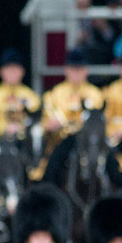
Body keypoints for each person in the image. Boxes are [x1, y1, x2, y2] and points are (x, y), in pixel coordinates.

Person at [41, 47, 104, 183]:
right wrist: (49, 125)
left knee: (112, 163)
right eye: (73, 69)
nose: (76, 73)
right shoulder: (55, 94)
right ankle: (48, 189)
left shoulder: (95, 94)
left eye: (80, 69)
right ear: (66, 70)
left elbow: (99, 121)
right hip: (65, 139)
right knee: (53, 164)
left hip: (90, 140)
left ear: (86, 70)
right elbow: (46, 122)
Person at [0, 49, 40, 139]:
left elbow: (36, 118)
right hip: (0, 140)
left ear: (23, 71)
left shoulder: (31, 95)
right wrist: (5, 128)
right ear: (1, 71)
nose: (13, 72)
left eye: (16, 68)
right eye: (8, 68)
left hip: (26, 141)